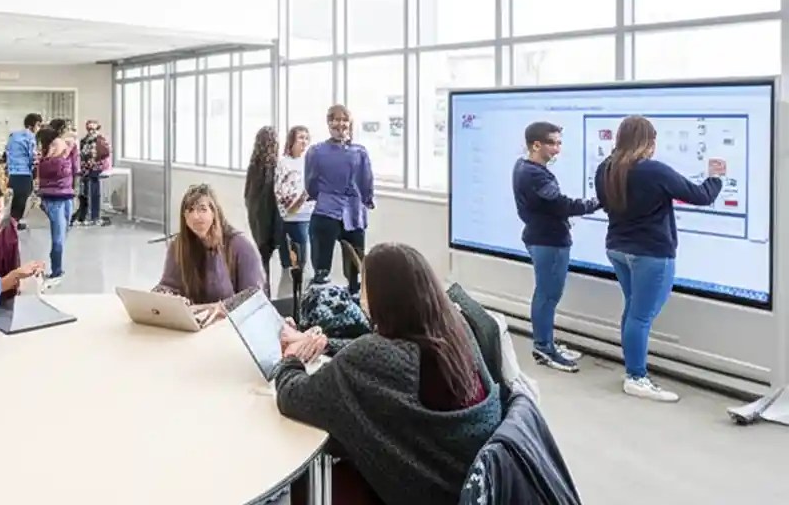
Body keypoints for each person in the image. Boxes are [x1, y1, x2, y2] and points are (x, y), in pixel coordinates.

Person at [276, 243, 502, 505]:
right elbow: (378, 354)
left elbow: (292, 396)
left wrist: (290, 359)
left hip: (431, 490)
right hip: (472, 483)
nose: (360, 295)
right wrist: (326, 344)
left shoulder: (378, 356)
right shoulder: (456, 328)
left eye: (364, 287)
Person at [595, 115, 723, 403]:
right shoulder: (653, 171)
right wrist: (716, 177)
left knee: (633, 310)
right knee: (641, 316)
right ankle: (636, 377)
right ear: (648, 142)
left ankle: (632, 370)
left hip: (617, 249)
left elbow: (605, 203)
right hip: (651, 253)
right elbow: (700, 195)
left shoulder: (605, 168)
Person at [512, 121, 600, 373]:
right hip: (548, 241)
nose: (557, 149)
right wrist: (597, 202)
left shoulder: (524, 166)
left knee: (547, 294)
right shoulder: (534, 174)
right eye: (552, 143)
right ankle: (544, 348)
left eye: (560, 143)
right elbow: (562, 204)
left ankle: (546, 342)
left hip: (541, 237)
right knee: (548, 296)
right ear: (536, 144)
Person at [153, 184, 267, 312]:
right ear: (184, 217)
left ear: (214, 212)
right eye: (190, 210)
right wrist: (161, 295)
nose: (196, 216)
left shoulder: (240, 245)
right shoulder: (178, 245)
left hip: (230, 323)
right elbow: (168, 285)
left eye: (202, 209)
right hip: (192, 322)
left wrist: (215, 308)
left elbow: (253, 296)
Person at [304, 104, 374, 293]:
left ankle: (349, 298)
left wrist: (365, 199)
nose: (340, 123)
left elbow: (366, 182)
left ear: (350, 124)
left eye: (344, 119)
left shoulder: (360, 152)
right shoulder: (316, 151)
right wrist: (366, 199)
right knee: (324, 268)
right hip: (328, 211)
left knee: (355, 269)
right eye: (336, 119)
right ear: (328, 123)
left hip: (351, 213)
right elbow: (310, 182)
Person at [36, 127, 76, 286]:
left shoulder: (63, 157)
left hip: (67, 196)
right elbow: (61, 171)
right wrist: (66, 154)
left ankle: (57, 268)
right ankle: (56, 271)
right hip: (53, 199)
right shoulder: (46, 161)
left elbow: (73, 170)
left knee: (64, 232)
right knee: (58, 237)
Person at [243, 126, 281, 283]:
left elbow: (247, 195)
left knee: (263, 258)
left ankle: (264, 291)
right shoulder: (273, 167)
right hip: (268, 219)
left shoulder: (254, 166)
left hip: (256, 217)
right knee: (265, 258)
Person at [276, 125, 314, 274]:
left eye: (306, 138)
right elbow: (280, 191)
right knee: (288, 260)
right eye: (300, 137)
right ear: (292, 140)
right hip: (287, 217)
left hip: (304, 216)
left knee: (301, 258)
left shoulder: (309, 162)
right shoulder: (283, 163)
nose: (304, 141)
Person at [5, 113, 43, 228]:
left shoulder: (13, 136)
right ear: (35, 125)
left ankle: (11, 222)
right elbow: (32, 155)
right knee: (22, 199)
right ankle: (14, 223)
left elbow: (7, 152)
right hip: (24, 172)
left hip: (12, 171)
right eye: (39, 125)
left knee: (15, 198)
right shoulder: (30, 137)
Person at [77, 119, 112, 226]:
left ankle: (95, 216)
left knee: (94, 193)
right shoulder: (84, 141)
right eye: (89, 129)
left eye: (94, 129)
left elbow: (105, 154)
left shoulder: (101, 140)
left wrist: (95, 163)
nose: (91, 131)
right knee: (84, 193)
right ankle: (84, 216)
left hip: (96, 170)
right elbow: (81, 155)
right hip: (85, 170)